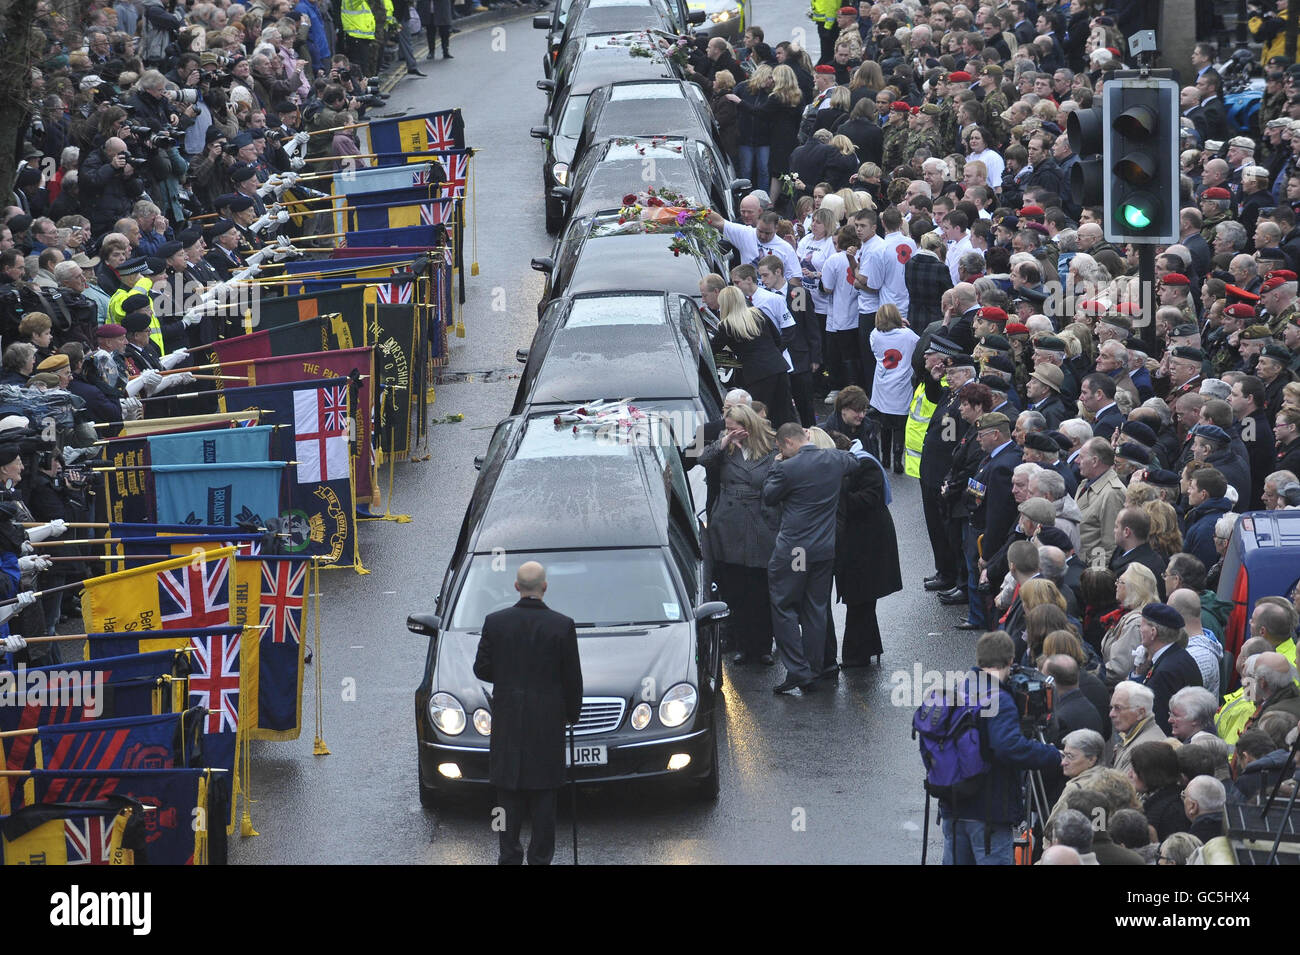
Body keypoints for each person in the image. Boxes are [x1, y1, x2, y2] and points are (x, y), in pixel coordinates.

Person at [472, 562, 583, 866]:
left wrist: (508, 674)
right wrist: (572, 714)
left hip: (508, 723)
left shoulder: (495, 623)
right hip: (546, 726)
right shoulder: (561, 626)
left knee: (508, 797)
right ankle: (540, 859)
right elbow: (572, 678)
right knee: (544, 798)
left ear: (516, 587)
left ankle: (509, 856)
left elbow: (481, 668)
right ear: (544, 587)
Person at [938, 630, 1063, 865]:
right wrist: (1051, 755)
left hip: (954, 805)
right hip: (988, 809)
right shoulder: (999, 699)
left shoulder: (961, 689)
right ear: (1010, 661)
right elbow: (1008, 747)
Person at [762, 421, 860, 694]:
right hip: (823, 550)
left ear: (787, 443)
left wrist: (777, 464)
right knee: (815, 608)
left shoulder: (786, 467)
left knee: (784, 606)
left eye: (781, 448)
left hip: (796, 551)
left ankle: (798, 670)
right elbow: (855, 461)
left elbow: (769, 496)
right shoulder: (835, 459)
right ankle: (815, 669)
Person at [699, 404, 780, 666]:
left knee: (760, 586)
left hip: (760, 519)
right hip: (730, 520)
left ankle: (763, 645)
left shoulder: (770, 445)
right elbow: (701, 459)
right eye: (728, 428)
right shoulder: (725, 446)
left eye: (734, 428)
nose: (731, 432)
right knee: (736, 587)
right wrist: (723, 442)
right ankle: (742, 645)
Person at [831, 429, 900, 666]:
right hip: (861, 541)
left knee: (861, 598)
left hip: (869, 543)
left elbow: (871, 498)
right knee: (862, 599)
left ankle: (856, 656)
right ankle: (867, 648)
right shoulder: (857, 463)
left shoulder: (864, 465)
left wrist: (836, 499)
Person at [711, 286, 795, 427]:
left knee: (758, 417)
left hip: (755, 375)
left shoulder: (726, 326)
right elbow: (777, 340)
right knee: (786, 413)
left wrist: (735, 361)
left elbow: (712, 352)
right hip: (778, 367)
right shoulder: (758, 314)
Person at [868, 303, 920, 473]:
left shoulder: (875, 335)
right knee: (899, 425)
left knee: (884, 425)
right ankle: (898, 460)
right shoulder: (909, 336)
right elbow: (919, 346)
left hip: (883, 385)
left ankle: (884, 458)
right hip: (901, 386)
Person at [1127, 741, 1190, 842]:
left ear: (1149, 774)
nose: (1129, 775)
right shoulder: (1157, 799)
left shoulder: (1171, 812)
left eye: (1134, 770)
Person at [1108, 681, 1167, 775]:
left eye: (1118, 708)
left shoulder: (1146, 750)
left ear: (1140, 713)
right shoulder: (1131, 737)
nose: (1111, 714)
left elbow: (1124, 788)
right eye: (1111, 708)